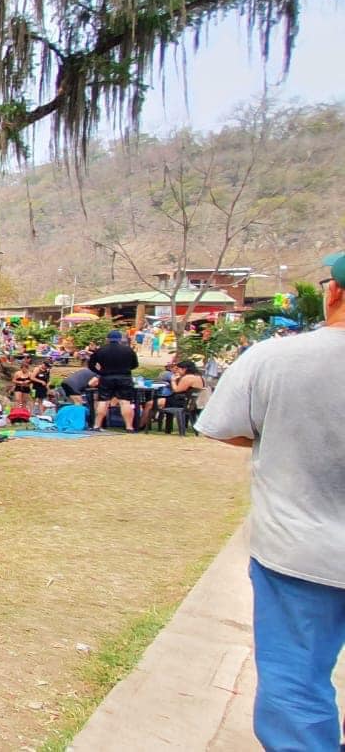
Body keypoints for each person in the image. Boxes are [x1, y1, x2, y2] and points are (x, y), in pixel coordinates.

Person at [193, 251, 345, 752]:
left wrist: (278, 435)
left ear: (334, 292)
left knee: (296, 684)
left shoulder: (275, 358)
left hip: (300, 552)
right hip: (298, 553)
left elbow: (223, 427)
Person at [87, 329, 140, 431]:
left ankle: (97, 425)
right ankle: (129, 427)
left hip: (106, 378)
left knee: (103, 401)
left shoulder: (101, 350)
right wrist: (125, 369)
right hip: (124, 377)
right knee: (125, 402)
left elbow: (91, 365)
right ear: (120, 339)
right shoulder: (128, 350)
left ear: (107, 339)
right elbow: (135, 365)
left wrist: (100, 372)